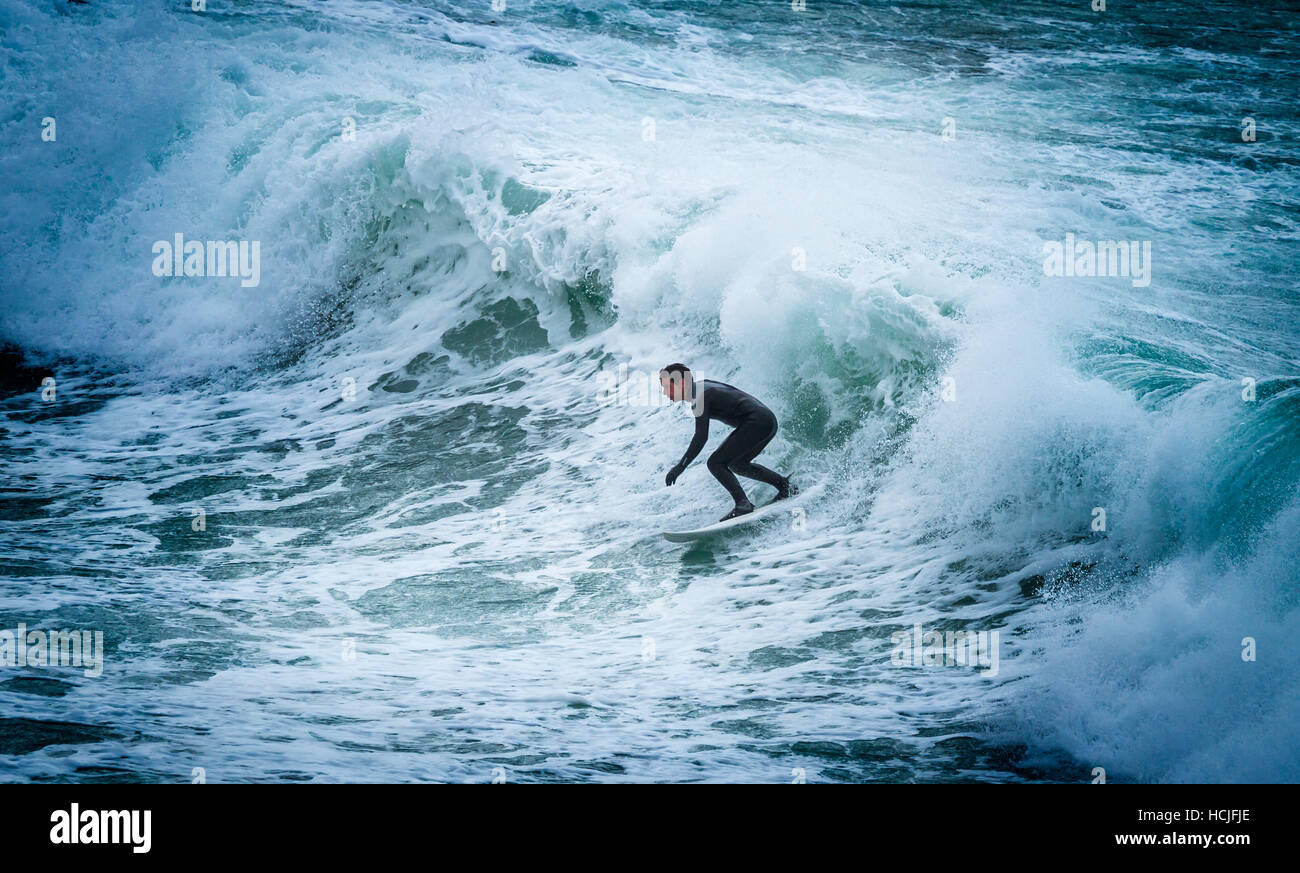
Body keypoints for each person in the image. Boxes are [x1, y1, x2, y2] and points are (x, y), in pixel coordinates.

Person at [660, 363, 796, 521]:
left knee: (715, 463)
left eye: (667, 387)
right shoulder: (702, 388)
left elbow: (701, 437)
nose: (665, 393)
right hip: (766, 421)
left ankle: (743, 504)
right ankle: (784, 486)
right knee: (737, 464)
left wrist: (680, 467)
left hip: (757, 422)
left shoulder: (701, 397)